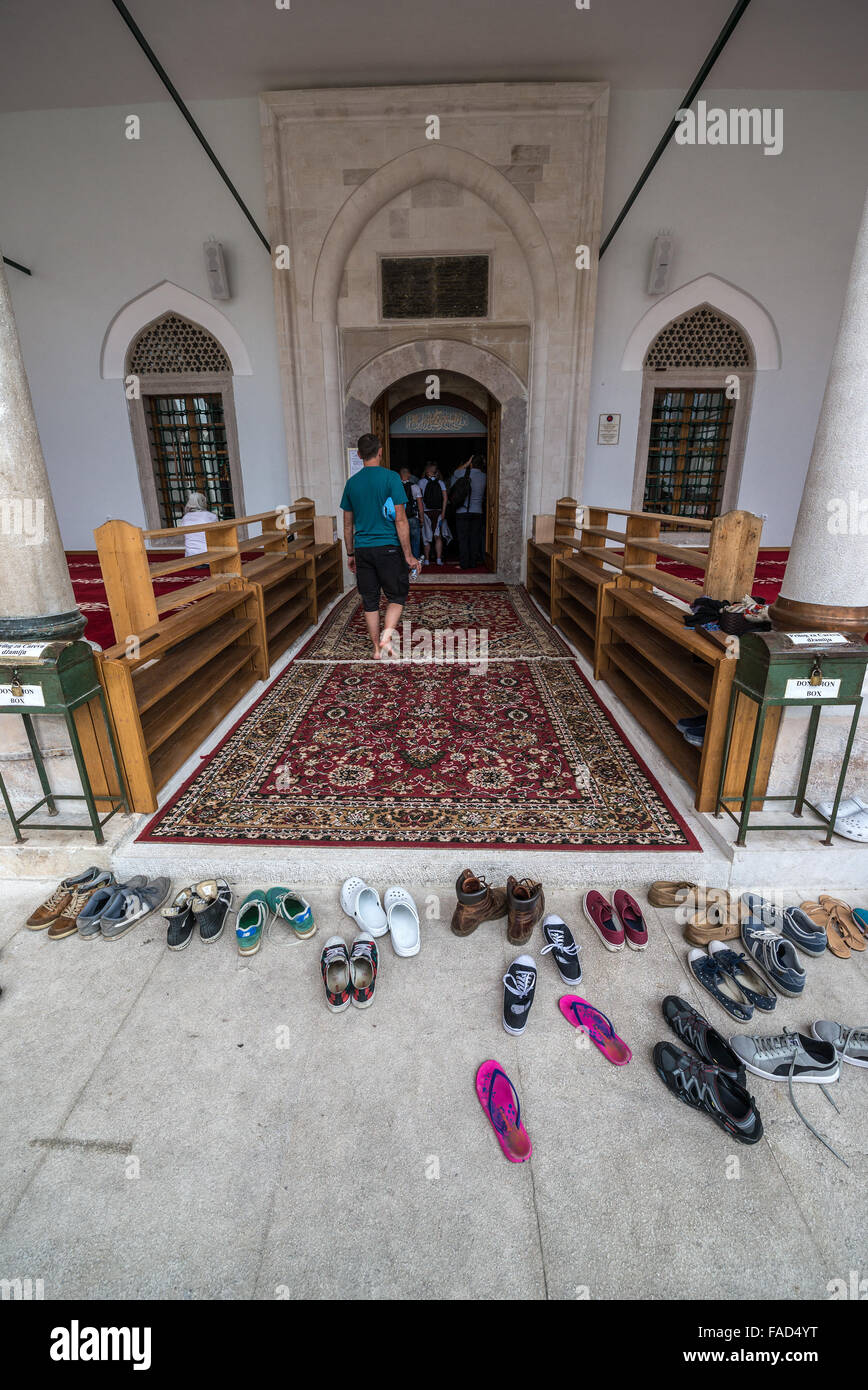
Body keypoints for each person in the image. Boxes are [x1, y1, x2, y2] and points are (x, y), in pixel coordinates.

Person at [340, 433, 419, 660]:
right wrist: (409, 555)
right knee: (396, 596)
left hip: (363, 549)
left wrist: (350, 553)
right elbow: (401, 519)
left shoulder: (352, 483)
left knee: (370, 600)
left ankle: (376, 649)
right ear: (380, 452)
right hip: (389, 548)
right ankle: (386, 636)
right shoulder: (391, 478)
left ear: (359, 454)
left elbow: (347, 524)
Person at [452, 454, 487, 569]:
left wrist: (467, 463)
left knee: (463, 539)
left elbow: (455, 472)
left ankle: (464, 564)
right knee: (474, 538)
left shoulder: (463, 473)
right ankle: (473, 563)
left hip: (462, 511)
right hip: (478, 512)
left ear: (471, 463)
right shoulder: (484, 476)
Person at [420, 461, 447, 565]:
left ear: (427, 471)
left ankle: (426, 560)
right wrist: (443, 512)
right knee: (438, 536)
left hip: (426, 513)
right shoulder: (441, 482)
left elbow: (419, 499)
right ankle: (439, 559)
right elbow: (445, 498)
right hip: (438, 512)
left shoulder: (421, 482)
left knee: (426, 537)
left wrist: (421, 514)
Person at [181, 491, 218, 557]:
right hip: (209, 556)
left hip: (190, 556)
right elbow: (218, 534)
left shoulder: (185, 517)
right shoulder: (210, 516)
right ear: (202, 502)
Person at [399, 466, 425, 561]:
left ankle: (403, 562)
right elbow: (420, 505)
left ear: (399, 475)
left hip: (400, 518)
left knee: (402, 541)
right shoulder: (415, 487)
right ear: (409, 475)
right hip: (413, 517)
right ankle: (415, 563)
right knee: (415, 541)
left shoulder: (396, 487)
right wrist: (421, 519)